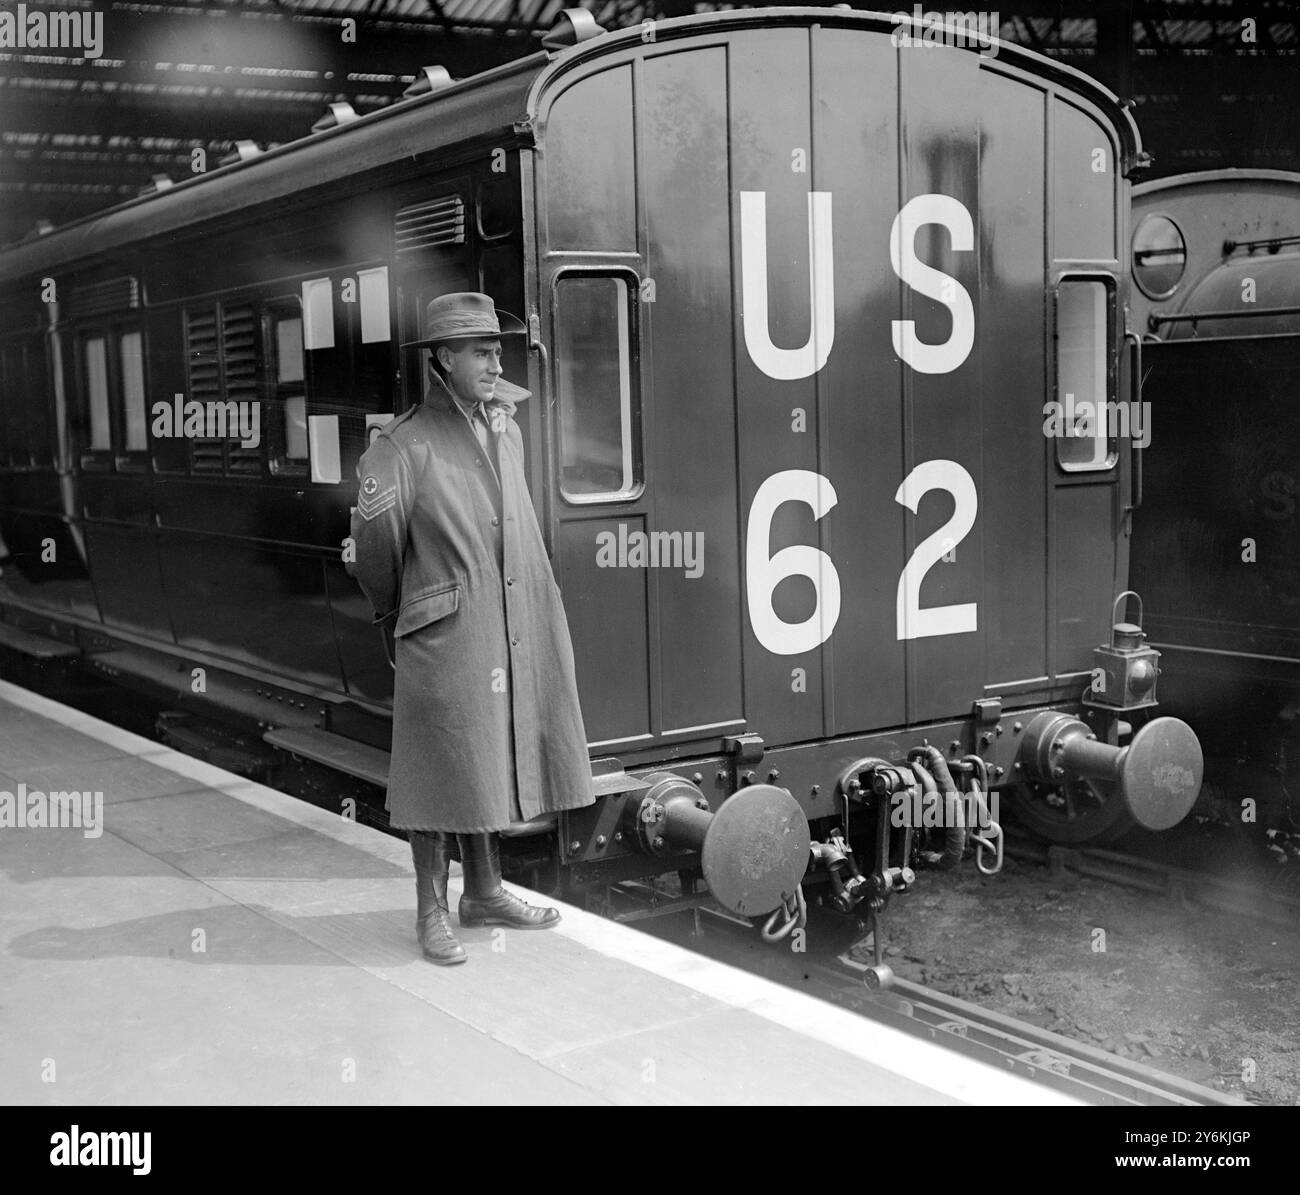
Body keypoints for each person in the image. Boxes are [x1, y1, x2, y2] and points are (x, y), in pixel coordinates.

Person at [346, 292, 594, 965]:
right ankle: (430, 907)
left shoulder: (503, 428)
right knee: (436, 765)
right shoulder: (403, 445)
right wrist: (408, 614)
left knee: (485, 751)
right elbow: (375, 551)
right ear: (443, 358)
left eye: (497, 349)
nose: (495, 360)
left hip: (511, 617)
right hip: (443, 624)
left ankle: (485, 891)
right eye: (480, 350)